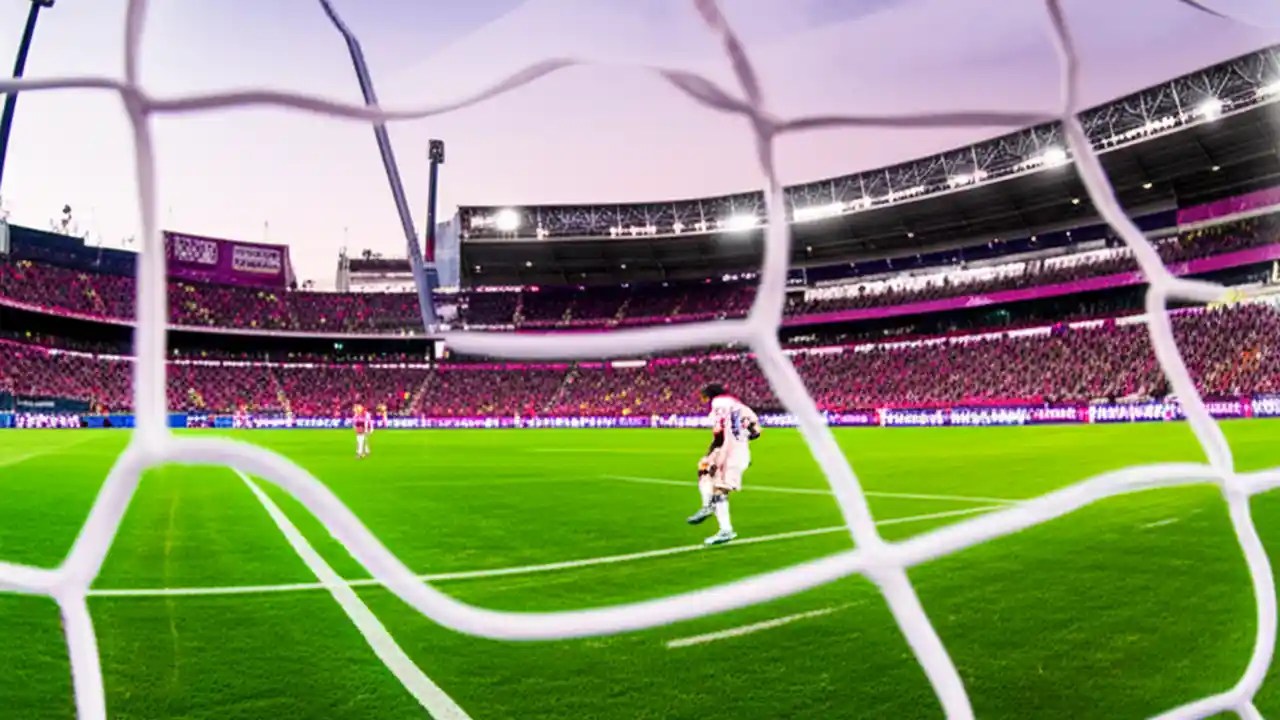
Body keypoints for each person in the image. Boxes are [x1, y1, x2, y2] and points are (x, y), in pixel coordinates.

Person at [687, 383, 761, 545]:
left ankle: (724, 529)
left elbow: (719, 433)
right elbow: (756, 432)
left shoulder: (718, 404)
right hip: (738, 452)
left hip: (729, 453)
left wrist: (714, 452)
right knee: (704, 468)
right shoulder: (741, 406)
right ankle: (708, 507)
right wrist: (741, 440)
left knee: (719, 489)